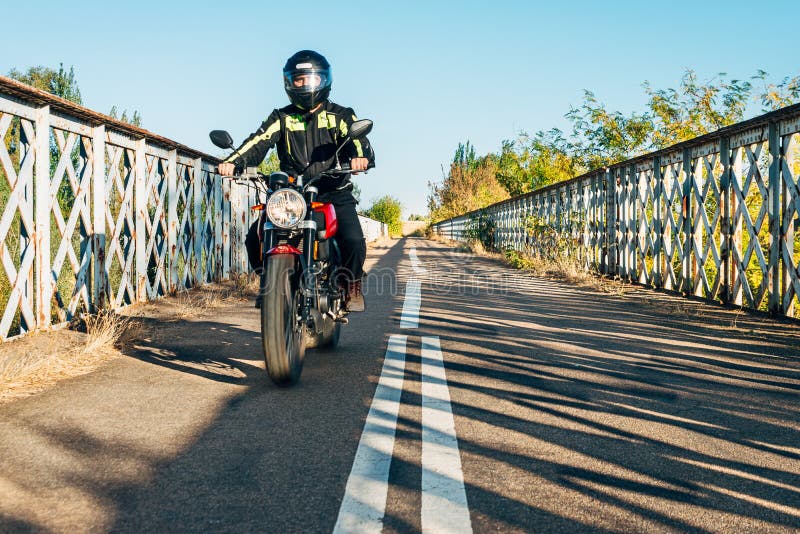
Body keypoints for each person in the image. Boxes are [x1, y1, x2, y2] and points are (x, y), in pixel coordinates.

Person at [218, 50, 375, 312]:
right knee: (253, 237)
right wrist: (233, 161)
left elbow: (358, 140)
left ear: (323, 80)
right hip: (292, 193)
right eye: (299, 79)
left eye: (310, 79)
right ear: (289, 82)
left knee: (354, 240)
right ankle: (272, 288)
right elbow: (257, 142)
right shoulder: (281, 117)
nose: (305, 85)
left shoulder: (341, 115)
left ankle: (351, 285)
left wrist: (360, 157)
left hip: (333, 190)